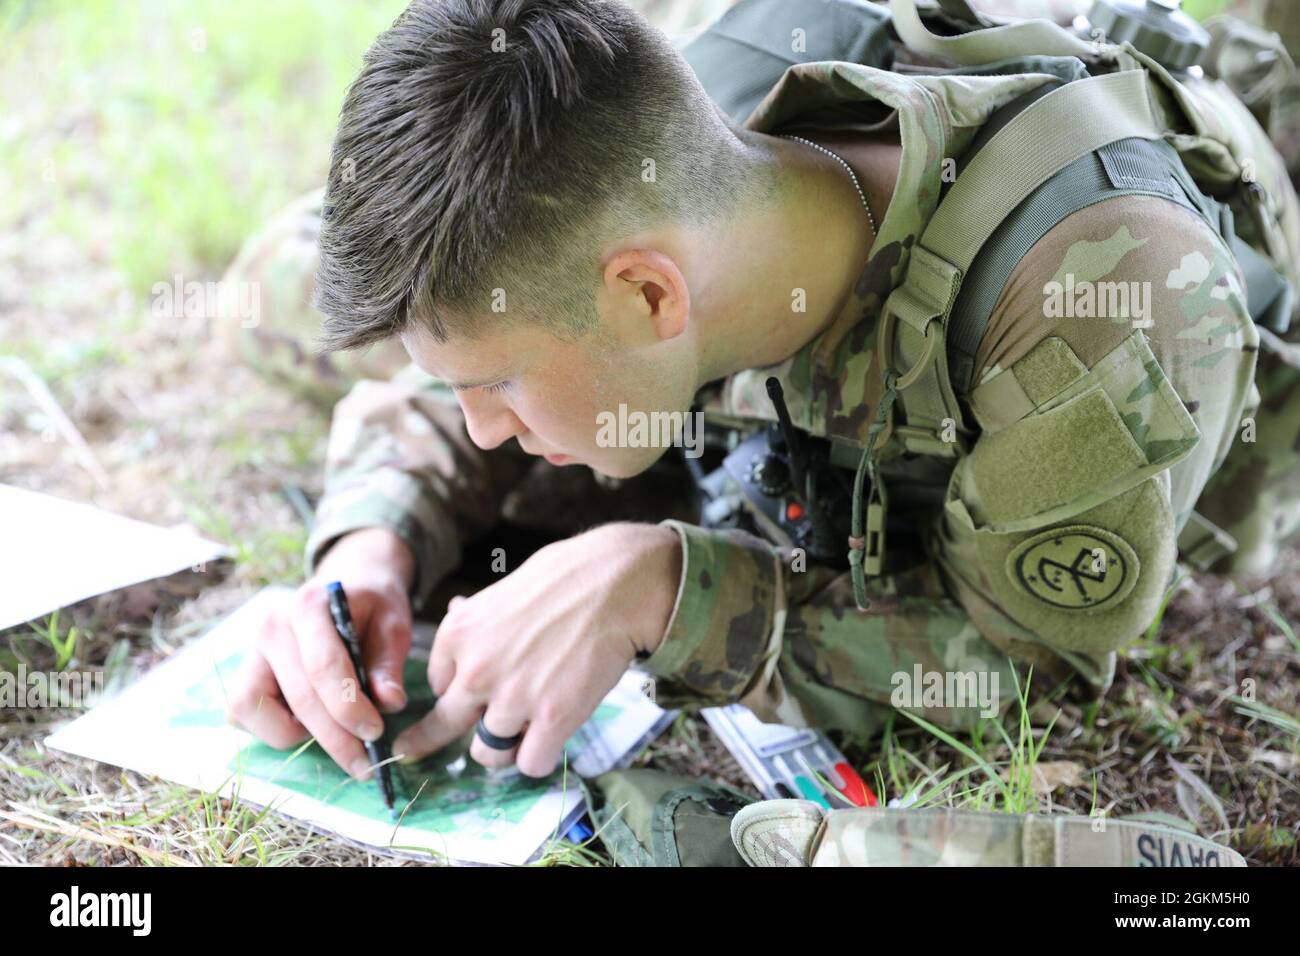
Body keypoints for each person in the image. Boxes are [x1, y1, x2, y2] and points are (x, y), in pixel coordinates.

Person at [223, 0, 1298, 798]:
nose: (481, 424)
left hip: (1203, 193)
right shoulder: (698, 124)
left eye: (494, 385)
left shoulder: (1100, 301)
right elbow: (456, 381)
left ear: (649, 293)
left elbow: (1018, 662)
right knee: (256, 302)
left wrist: (664, 588)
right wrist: (367, 550)